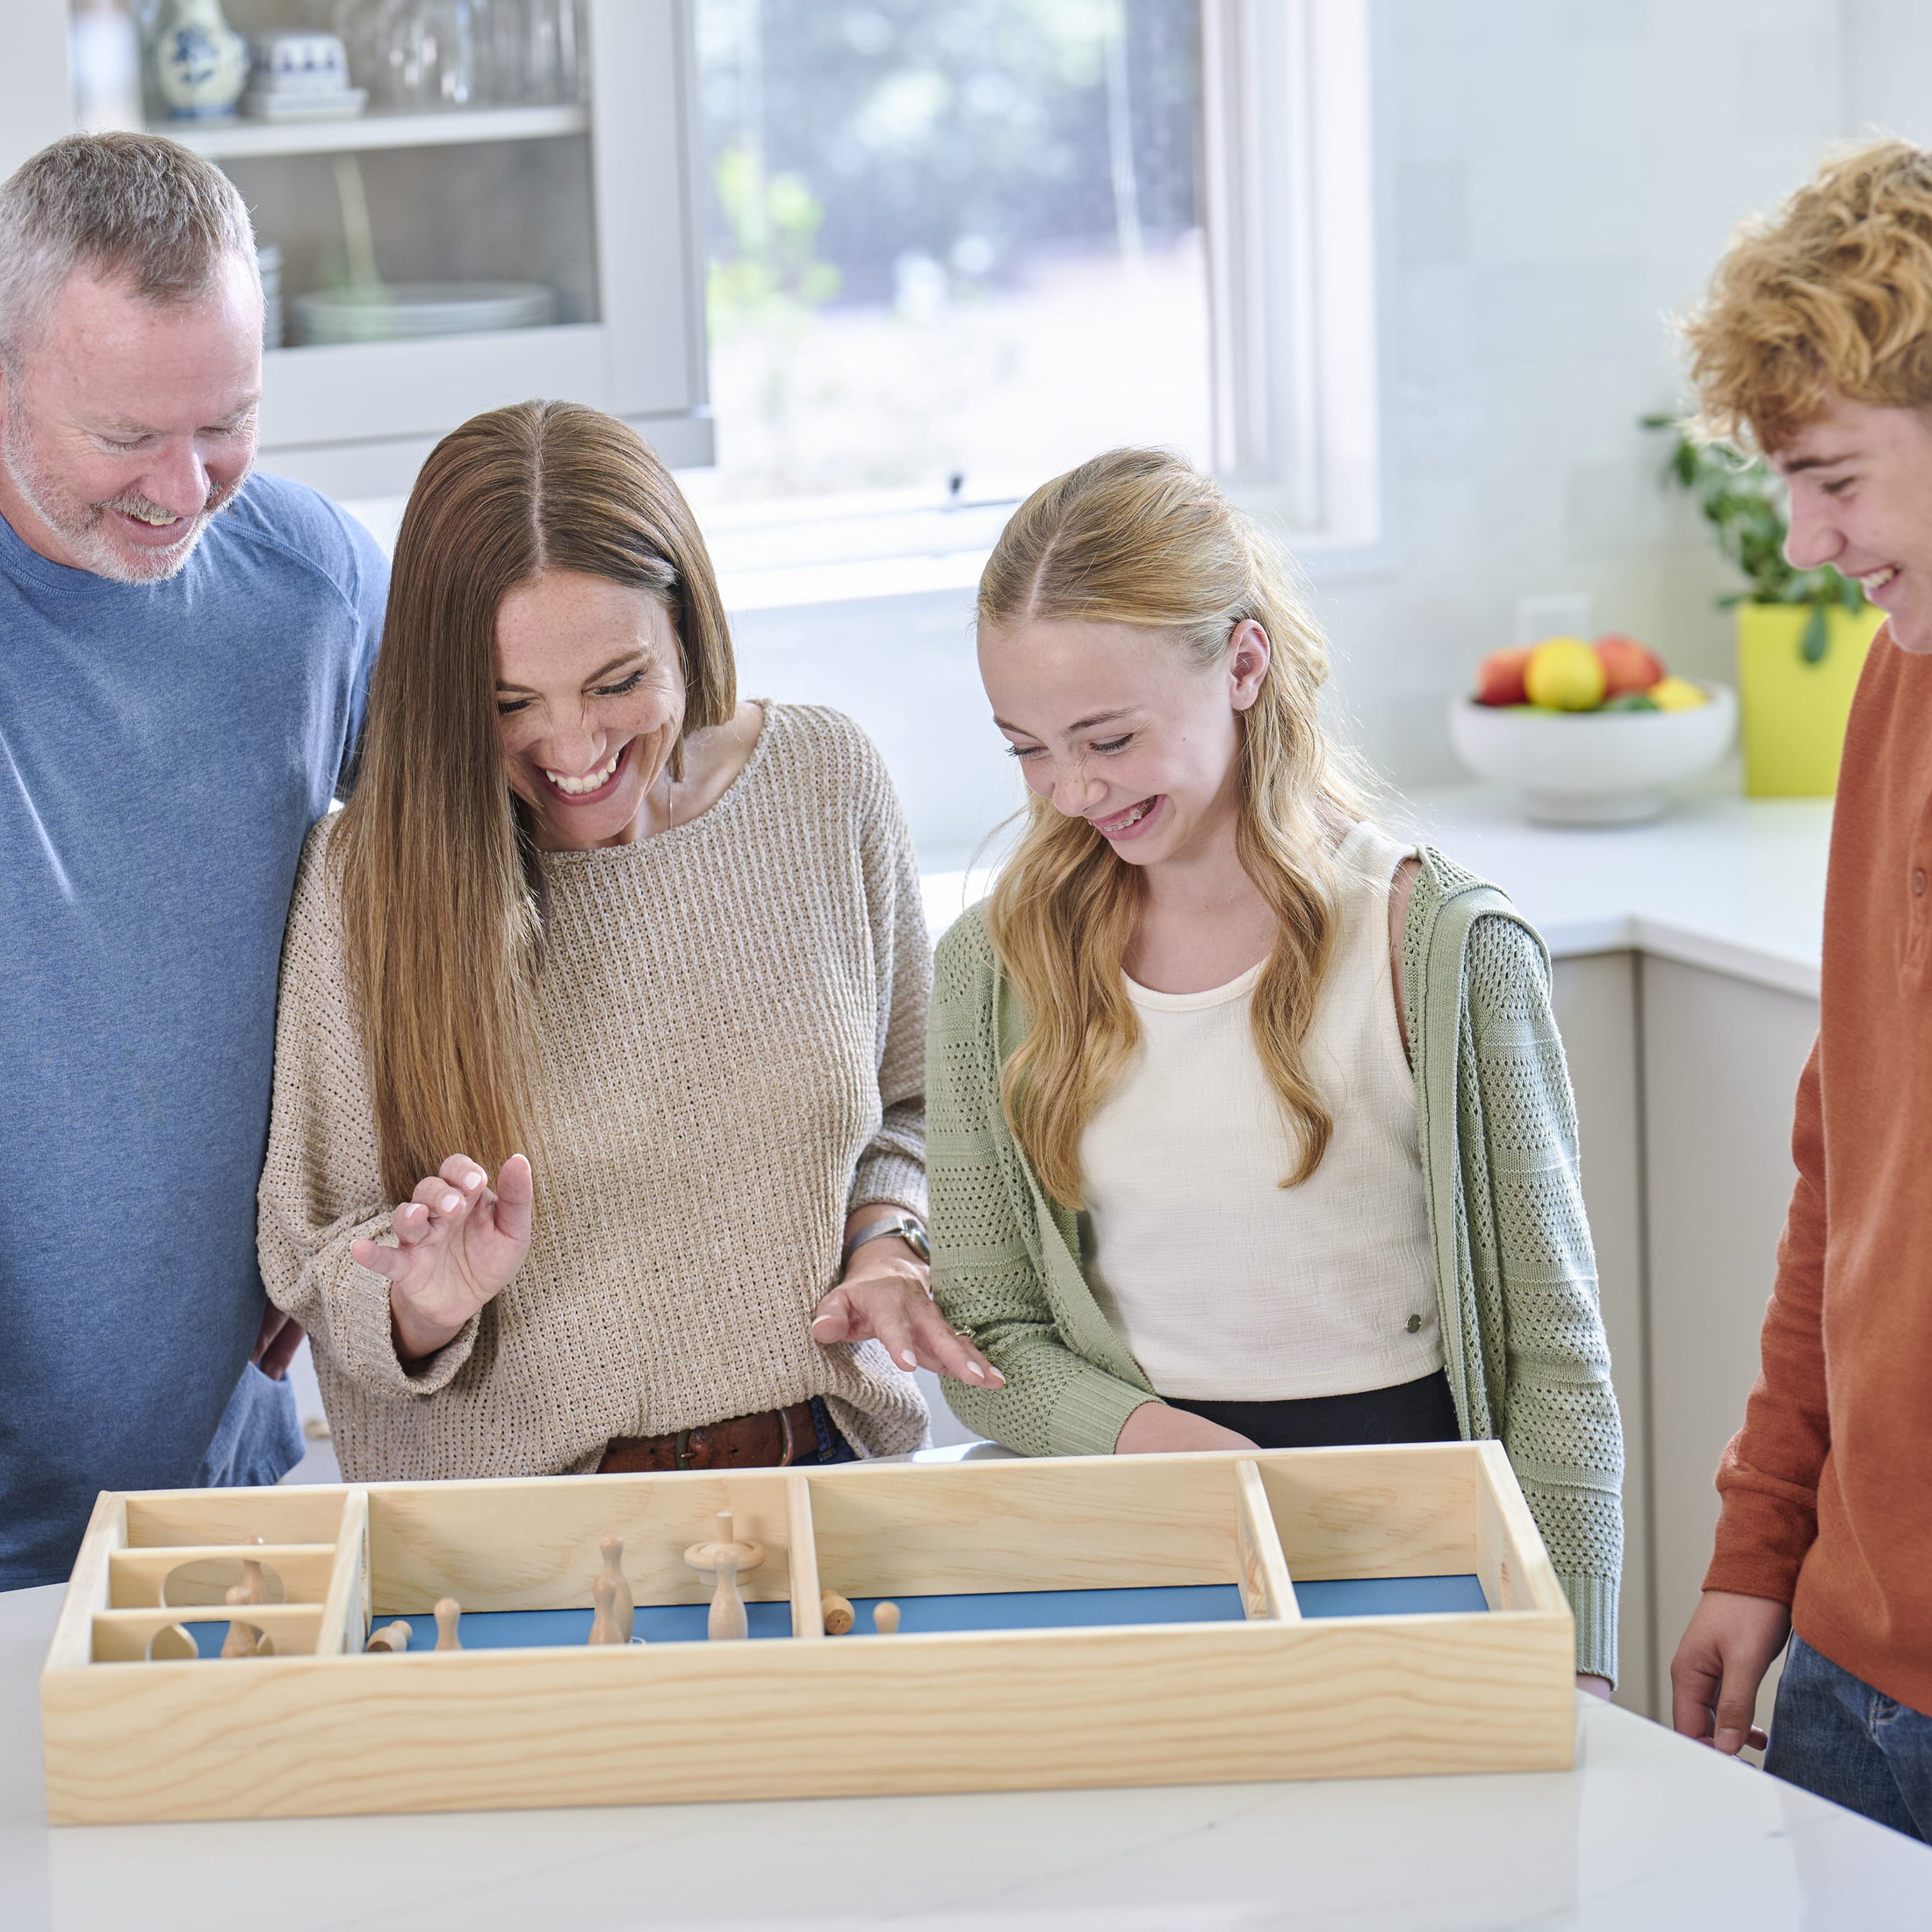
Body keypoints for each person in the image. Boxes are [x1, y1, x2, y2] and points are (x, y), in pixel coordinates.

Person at [927, 448, 1623, 1690]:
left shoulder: (1440, 950)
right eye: (1027, 749)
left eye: (1110, 737)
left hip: (1420, 1542)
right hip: (1139, 1540)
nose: (1073, 791)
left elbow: (1555, 1353)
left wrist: (1575, 1655)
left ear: (1242, 664)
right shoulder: (994, 967)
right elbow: (992, 1338)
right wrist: (1150, 1441)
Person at [258, 399, 991, 1478]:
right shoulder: (367, 882)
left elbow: (912, 1107)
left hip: (824, 1471)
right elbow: (308, 1250)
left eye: (617, 684)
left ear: (688, 624)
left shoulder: (825, 784)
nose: (573, 745)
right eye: (509, 702)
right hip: (520, 1537)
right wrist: (423, 1297)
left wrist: (889, 1236)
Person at [0, 133, 385, 1587]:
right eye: (125, 437)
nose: (186, 487)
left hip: (226, 1509)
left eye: (227, 420)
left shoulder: (319, 591)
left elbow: (455, 917)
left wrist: (344, 1192)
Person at [1667, 140, 1932, 1839]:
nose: (1809, 540)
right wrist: (1763, 1541)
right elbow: (1846, 1167)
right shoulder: (1893, 699)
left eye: (1832, 477)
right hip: (1856, 1656)